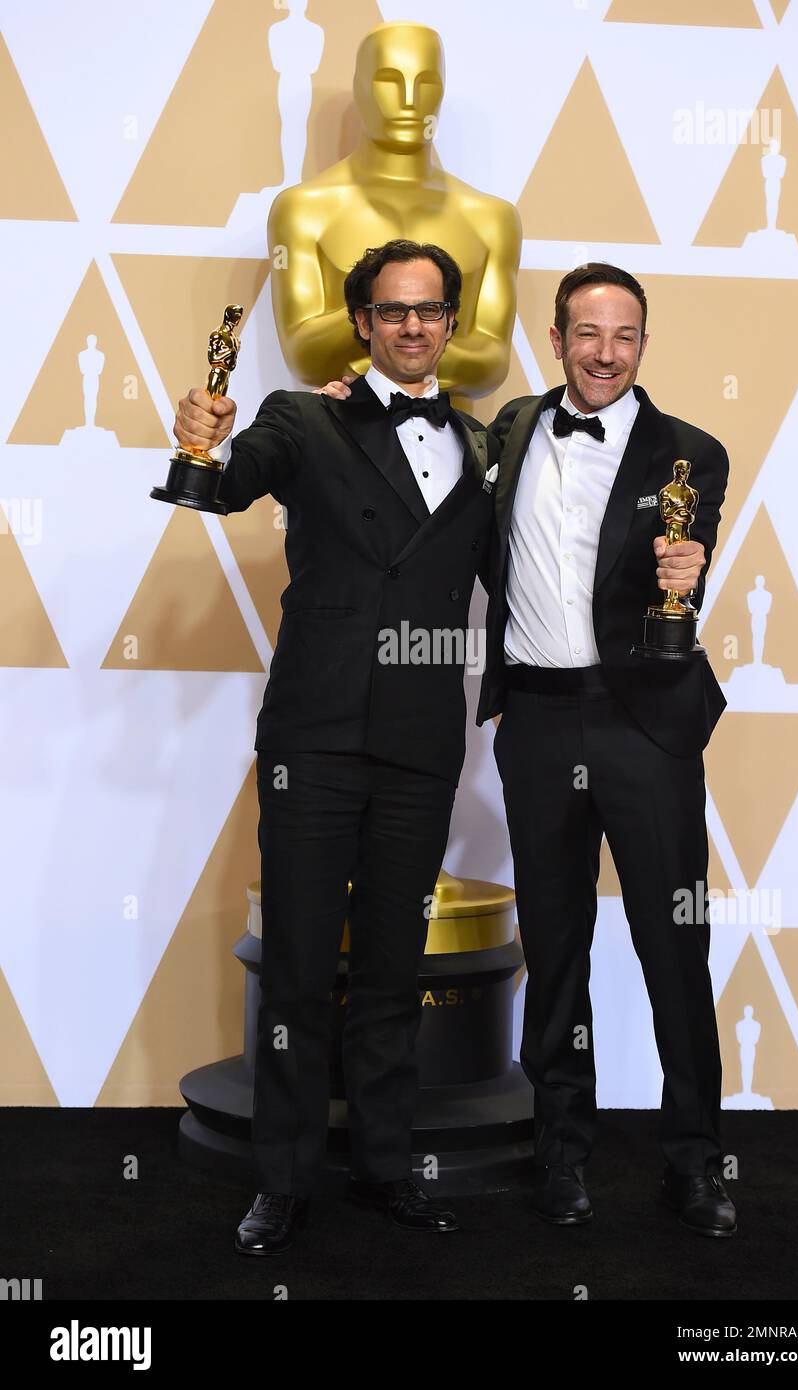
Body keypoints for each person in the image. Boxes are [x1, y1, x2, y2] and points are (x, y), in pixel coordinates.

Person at [172, 239, 494, 1255]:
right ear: (359, 321)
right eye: (391, 311)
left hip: (417, 738)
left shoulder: (486, 447)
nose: (411, 327)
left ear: (451, 322)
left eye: (429, 310)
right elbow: (226, 489)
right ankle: (282, 1180)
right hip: (312, 735)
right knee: (303, 971)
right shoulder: (301, 416)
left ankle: (387, 1168)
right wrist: (201, 445)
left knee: (392, 971)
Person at [477, 262, 736, 1237]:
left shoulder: (688, 453)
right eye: (585, 333)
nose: (604, 352)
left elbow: (676, 579)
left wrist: (685, 566)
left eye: (623, 334)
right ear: (555, 341)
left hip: (644, 723)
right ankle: (560, 1154)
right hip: (536, 723)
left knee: (674, 948)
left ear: (641, 342)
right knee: (554, 948)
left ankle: (695, 1164)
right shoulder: (505, 433)